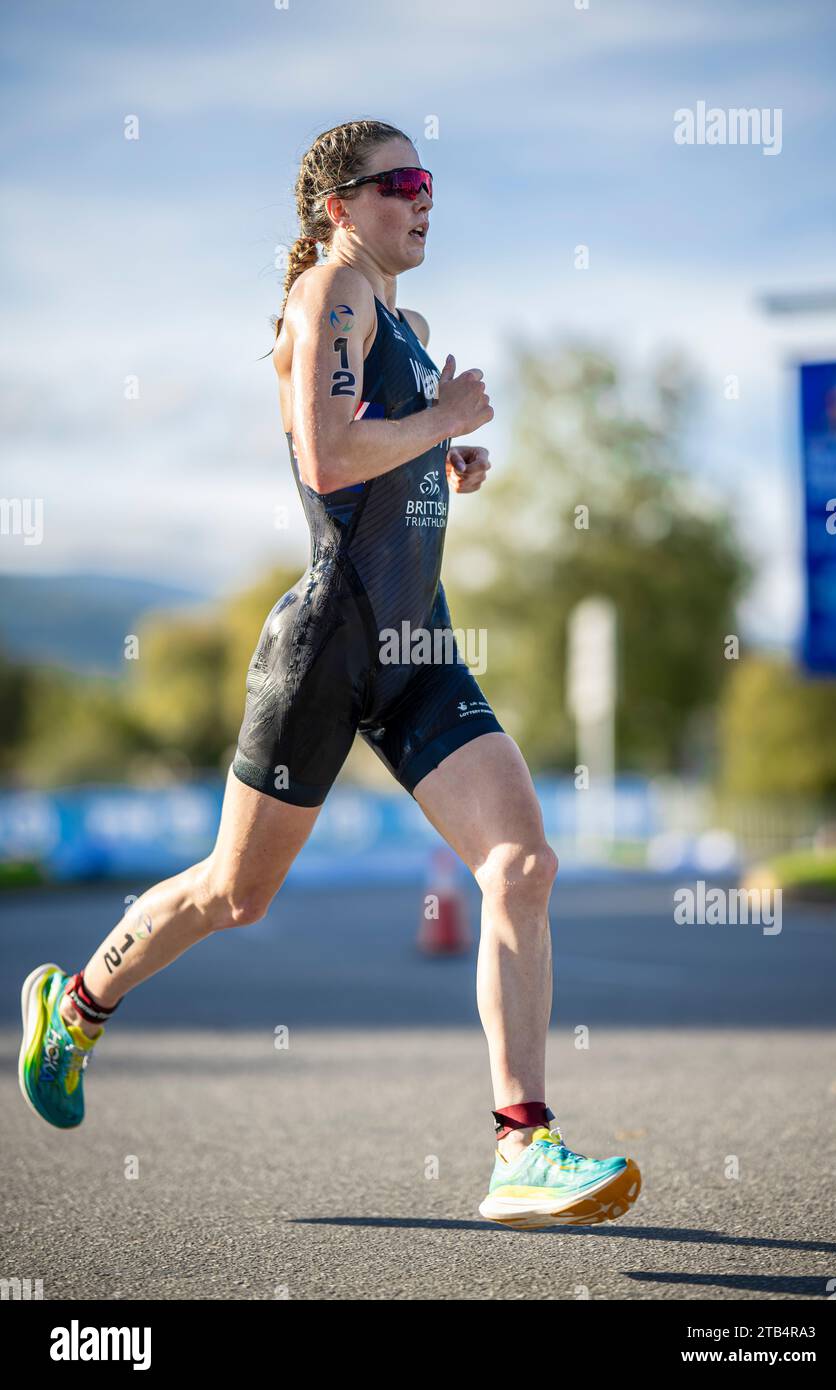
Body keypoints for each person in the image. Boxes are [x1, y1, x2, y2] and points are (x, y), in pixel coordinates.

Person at [19, 118, 641, 1230]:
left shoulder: (398, 317)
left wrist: (441, 452)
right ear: (336, 206)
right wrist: (441, 416)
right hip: (325, 644)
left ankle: (522, 1144)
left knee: (521, 859)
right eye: (398, 181)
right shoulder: (329, 294)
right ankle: (74, 1006)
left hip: (414, 646)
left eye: (429, 179)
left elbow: (375, 446)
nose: (421, 197)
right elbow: (323, 456)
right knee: (234, 894)